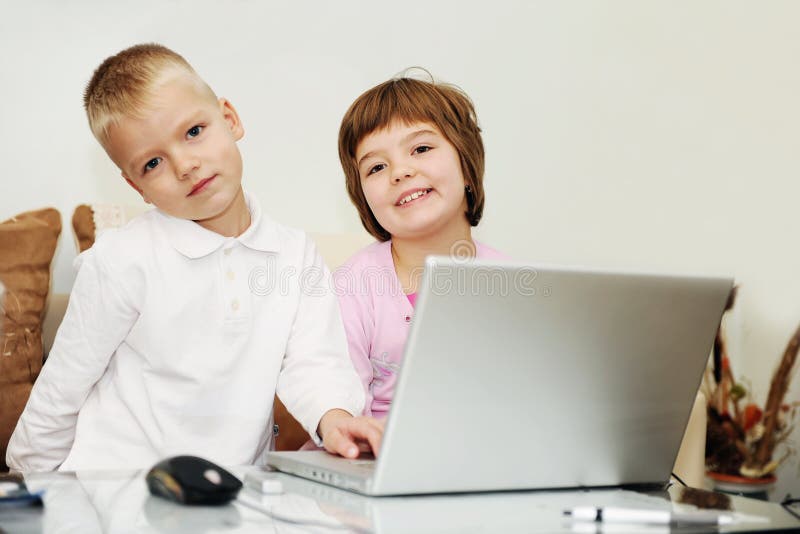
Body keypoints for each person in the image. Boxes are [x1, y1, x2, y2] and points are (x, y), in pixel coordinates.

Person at [6, 43, 382, 472]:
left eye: (193, 132)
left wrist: (335, 419)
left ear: (230, 119)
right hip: (114, 495)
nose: (184, 165)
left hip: (233, 496)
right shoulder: (121, 259)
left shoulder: (295, 255)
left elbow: (315, 362)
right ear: (136, 187)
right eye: (152, 163)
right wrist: (33, 496)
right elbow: (61, 391)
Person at [335, 73, 506, 418]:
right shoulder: (352, 289)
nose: (400, 172)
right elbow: (341, 406)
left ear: (467, 167)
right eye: (377, 167)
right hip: (375, 460)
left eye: (421, 149)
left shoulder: (513, 280)